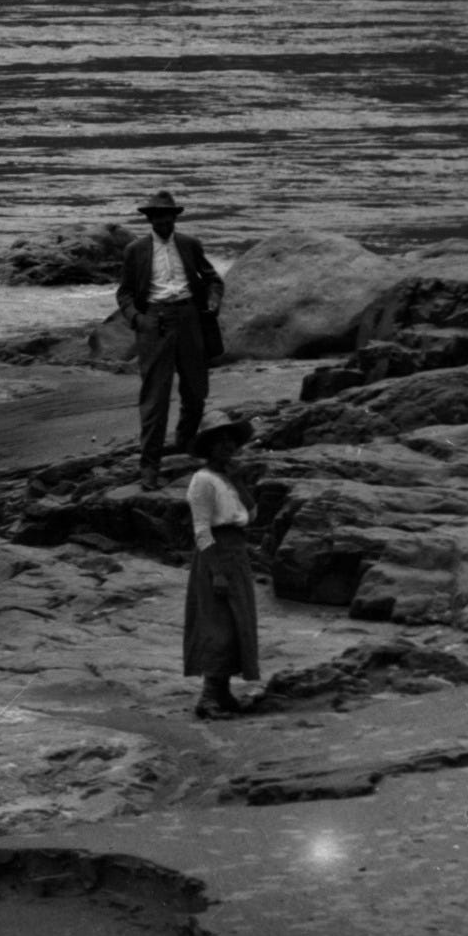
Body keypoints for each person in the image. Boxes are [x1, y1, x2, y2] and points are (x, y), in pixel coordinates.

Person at [115, 189, 226, 474]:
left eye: (168, 217)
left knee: (195, 390)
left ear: (174, 218)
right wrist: (137, 319)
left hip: (190, 318)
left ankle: (185, 445)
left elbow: (213, 279)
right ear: (150, 220)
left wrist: (213, 302)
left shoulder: (189, 245)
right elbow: (125, 293)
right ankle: (150, 465)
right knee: (155, 396)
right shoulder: (135, 251)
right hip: (154, 321)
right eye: (158, 218)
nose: (164, 222)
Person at [181, 417, 266, 715]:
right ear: (208, 448)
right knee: (218, 625)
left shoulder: (227, 478)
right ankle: (208, 696)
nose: (227, 447)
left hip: (236, 553)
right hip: (216, 554)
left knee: (237, 621)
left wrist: (239, 481)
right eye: (220, 442)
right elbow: (202, 530)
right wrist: (216, 572)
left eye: (230, 441)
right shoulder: (202, 480)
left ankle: (223, 693)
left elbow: (252, 514)